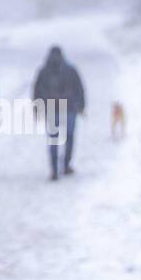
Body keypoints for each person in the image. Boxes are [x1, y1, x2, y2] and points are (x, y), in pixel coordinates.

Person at [32, 46, 85, 180]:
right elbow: (79, 88)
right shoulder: (70, 70)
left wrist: (37, 108)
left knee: (53, 139)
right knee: (70, 137)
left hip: (51, 109)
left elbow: (36, 90)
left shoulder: (43, 71)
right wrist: (81, 105)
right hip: (69, 108)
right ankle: (66, 164)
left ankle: (54, 170)